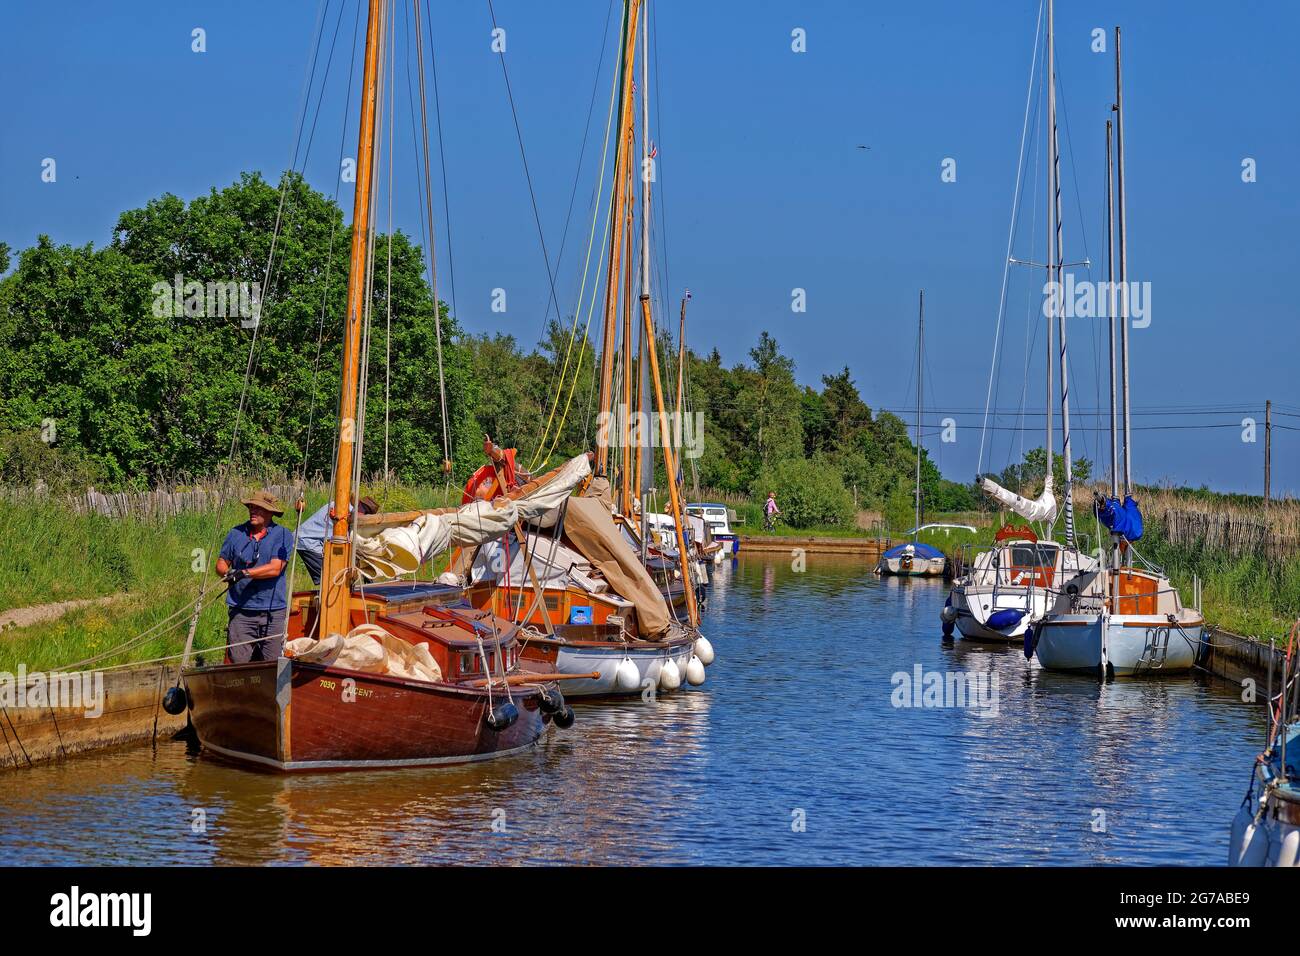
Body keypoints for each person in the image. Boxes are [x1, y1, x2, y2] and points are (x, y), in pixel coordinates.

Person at [216, 491, 294, 663]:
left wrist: (244, 573)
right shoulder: (236, 533)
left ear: (270, 513)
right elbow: (222, 562)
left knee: (273, 663)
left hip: (272, 611)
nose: (252, 511)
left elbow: (275, 568)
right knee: (238, 661)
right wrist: (226, 572)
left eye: (258, 509)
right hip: (241, 610)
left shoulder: (283, 535)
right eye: (251, 507)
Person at [293, 494, 379, 585]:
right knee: (331, 578)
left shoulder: (346, 511)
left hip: (313, 541)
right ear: (360, 505)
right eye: (365, 512)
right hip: (307, 540)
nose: (363, 516)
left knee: (336, 577)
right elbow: (353, 544)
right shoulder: (342, 511)